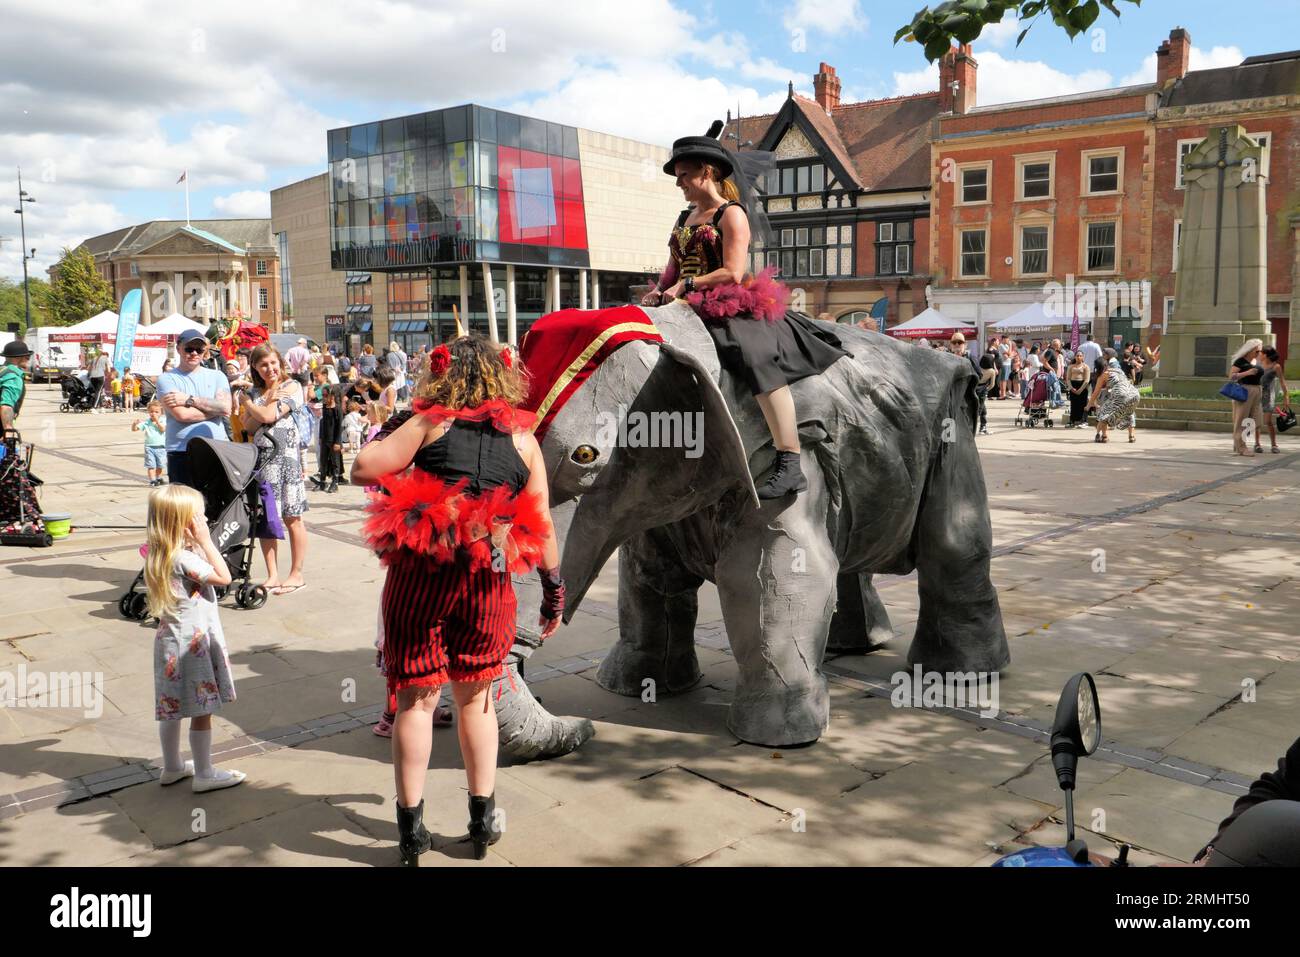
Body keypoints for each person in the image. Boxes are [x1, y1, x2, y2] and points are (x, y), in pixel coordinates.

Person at [351, 334, 565, 865]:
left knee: (416, 701)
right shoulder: (523, 441)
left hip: (420, 576)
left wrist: (401, 427)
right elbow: (541, 527)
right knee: (477, 699)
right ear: (502, 378)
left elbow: (362, 468)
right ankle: (481, 818)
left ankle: (411, 830)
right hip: (486, 580)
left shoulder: (430, 424)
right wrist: (553, 592)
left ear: (443, 376)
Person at [642, 128, 848, 499]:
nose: (680, 184)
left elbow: (733, 273)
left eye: (684, 174)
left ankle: (789, 460)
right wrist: (660, 289)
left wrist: (687, 287)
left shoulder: (731, 214)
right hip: (682, 300)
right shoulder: (683, 218)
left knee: (755, 357)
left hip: (724, 300)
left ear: (707, 172)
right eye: (677, 177)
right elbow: (672, 268)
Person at [144, 484, 246, 793]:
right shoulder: (183, 559)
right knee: (202, 710)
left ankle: (172, 766)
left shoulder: (159, 552)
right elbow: (225, 577)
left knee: (172, 707)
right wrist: (205, 540)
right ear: (184, 522)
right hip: (193, 646)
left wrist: (197, 542)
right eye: (199, 516)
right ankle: (205, 773)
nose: (204, 520)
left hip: (170, 643)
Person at [239, 344, 309, 595]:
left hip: (287, 460)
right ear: (256, 368)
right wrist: (263, 404)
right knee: (267, 518)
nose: (269, 369)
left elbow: (267, 418)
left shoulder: (292, 387)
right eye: (263, 365)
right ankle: (272, 575)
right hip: (264, 460)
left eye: (272, 363)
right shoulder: (260, 392)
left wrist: (250, 403)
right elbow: (248, 426)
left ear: (280, 362)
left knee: (293, 517)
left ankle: (296, 574)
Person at [155, 329, 231, 488]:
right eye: (189, 349)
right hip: (182, 451)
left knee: (216, 506)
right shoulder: (167, 379)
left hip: (216, 448)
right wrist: (214, 410)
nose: (194, 353)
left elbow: (226, 408)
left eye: (199, 349)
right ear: (178, 349)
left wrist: (189, 399)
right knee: (185, 508)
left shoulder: (218, 376)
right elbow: (182, 415)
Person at [1087, 347, 1139, 443]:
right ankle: (1131, 436)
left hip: (1119, 393)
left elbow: (1096, 392)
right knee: (1129, 413)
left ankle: (1103, 435)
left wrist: (1088, 405)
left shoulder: (1106, 371)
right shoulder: (1116, 368)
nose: (1103, 355)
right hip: (1134, 393)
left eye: (1104, 353)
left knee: (1104, 413)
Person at [1228, 338, 1265, 456]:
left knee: (1255, 420)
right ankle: (1242, 447)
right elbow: (1231, 377)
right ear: (1250, 350)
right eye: (1257, 351)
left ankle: (1238, 442)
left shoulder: (1256, 361)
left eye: (1260, 351)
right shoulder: (1240, 361)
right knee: (1242, 420)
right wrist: (1247, 373)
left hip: (1257, 390)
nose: (1259, 353)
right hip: (1245, 390)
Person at [1258, 347, 1290, 454]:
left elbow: (1282, 382)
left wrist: (1286, 397)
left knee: (1268, 421)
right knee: (1256, 421)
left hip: (1268, 396)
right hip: (1256, 395)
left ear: (1265, 355)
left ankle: (1274, 444)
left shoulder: (1276, 366)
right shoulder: (1257, 365)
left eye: (1261, 353)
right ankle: (1257, 444)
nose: (1259, 355)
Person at [313, 385, 344, 493]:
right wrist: (321, 437)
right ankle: (322, 482)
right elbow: (322, 423)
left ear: (333, 396)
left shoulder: (337, 409)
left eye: (326, 395)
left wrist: (338, 442)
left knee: (335, 462)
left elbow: (340, 427)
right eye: (323, 396)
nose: (324, 398)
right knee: (323, 461)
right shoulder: (324, 407)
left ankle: (335, 482)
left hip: (334, 440)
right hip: (325, 439)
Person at [132, 400, 168, 485]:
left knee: (160, 465)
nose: (154, 414)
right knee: (151, 466)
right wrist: (134, 424)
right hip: (149, 447)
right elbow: (134, 429)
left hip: (161, 447)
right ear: (148, 412)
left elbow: (163, 429)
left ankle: (159, 478)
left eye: (156, 412)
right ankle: (153, 480)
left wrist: (157, 422)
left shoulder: (163, 420)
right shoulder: (147, 422)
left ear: (161, 413)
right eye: (151, 411)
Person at [0, 339, 33, 430]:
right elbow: (6, 405)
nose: (28, 360)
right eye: (27, 357)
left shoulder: (2, 371)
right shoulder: (13, 377)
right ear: (18, 358)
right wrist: (8, 429)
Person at [1066, 350, 1092, 428]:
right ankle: (1072, 420)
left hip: (1083, 387)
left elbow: (1087, 380)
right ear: (1075, 357)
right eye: (1077, 355)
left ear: (1083, 357)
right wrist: (1071, 388)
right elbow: (1068, 379)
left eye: (1080, 356)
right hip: (1073, 386)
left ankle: (1084, 421)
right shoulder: (1070, 367)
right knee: (1073, 404)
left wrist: (1080, 390)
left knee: (1083, 404)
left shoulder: (1086, 367)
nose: (1079, 357)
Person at [975, 354, 996, 435]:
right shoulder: (991, 371)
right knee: (980, 410)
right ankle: (977, 427)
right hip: (983, 390)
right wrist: (986, 390)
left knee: (982, 410)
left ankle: (983, 427)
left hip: (974, 387)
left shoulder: (977, 368)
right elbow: (992, 384)